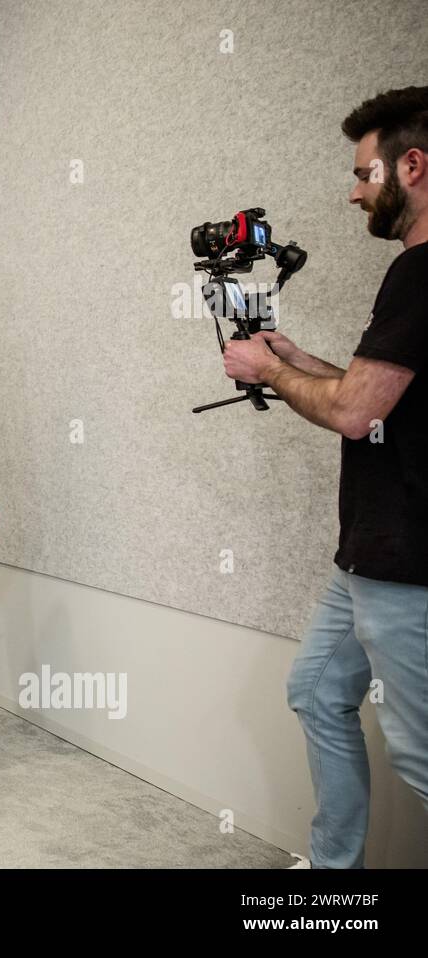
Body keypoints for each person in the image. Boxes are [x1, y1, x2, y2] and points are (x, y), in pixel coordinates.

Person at [222, 86, 428, 868]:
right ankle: (334, 874)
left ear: (411, 166)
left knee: (420, 753)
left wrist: (267, 375)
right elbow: (381, 396)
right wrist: (298, 360)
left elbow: (352, 415)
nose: (353, 190)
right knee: (314, 689)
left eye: (363, 172)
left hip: (406, 558)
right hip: (366, 557)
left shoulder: (420, 272)